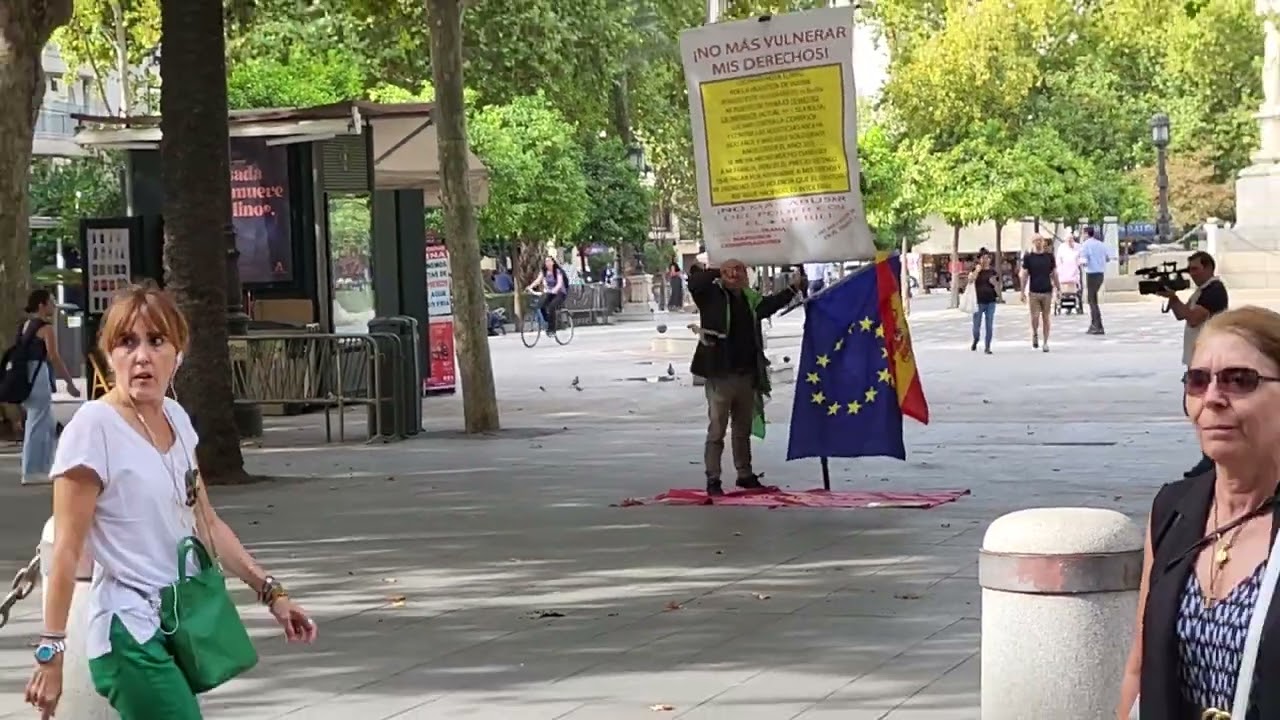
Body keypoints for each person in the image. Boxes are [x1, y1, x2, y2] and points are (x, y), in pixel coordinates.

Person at [24, 285, 317, 720]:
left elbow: (207, 523)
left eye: (156, 341)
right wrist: (51, 654)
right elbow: (66, 551)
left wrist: (272, 592)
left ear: (178, 352)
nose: (142, 356)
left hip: (177, 624)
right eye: (127, 342)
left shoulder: (176, 419)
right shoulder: (93, 427)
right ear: (108, 355)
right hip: (128, 638)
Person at [1117, 306, 1280, 720]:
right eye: (1198, 380)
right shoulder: (1172, 510)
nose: (1212, 398)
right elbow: (1140, 666)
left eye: (1240, 380)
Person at [689, 259, 802, 496]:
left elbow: (769, 305)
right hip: (720, 374)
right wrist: (717, 270)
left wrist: (794, 288)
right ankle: (713, 479)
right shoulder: (710, 296)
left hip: (746, 374)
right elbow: (695, 281)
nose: (735, 275)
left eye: (739, 270)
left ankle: (744, 474)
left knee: (742, 429)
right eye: (730, 271)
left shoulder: (749, 299)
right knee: (717, 429)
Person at [1158, 251, 1230, 479]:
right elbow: (1182, 315)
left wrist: (1176, 299)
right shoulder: (1201, 291)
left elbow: (1194, 317)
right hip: (1197, 358)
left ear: (1208, 267)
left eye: (1196, 269)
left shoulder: (1214, 290)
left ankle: (1211, 458)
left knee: (1200, 408)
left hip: (1209, 359)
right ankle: (1209, 456)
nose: (1192, 274)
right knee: (1194, 408)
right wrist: (1171, 298)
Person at [17, 289, 80, 485]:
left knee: (41, 422)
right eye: (51, 302)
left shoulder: (24, 325)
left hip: (25, 376)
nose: (54, 305)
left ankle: (42, 467)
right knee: (38, 423)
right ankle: (32, 470)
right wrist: (69, 383)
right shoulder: (46, 328)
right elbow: (54, 357)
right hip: (39, 375)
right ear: (41, 305)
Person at [1020, 236, 1060, 352]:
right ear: (1033, 242)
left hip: (1047, 291)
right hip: (1034, 292)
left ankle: (1046, 342)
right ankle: (1035, 334)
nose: (1038, 243)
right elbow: (1025, 275)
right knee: (1035, 316)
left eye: (1040, 240)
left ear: (1043, 243)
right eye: (1036, 240)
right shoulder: (1029, 257)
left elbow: (1054, 274)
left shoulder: (1049, 257)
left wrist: (1058, 288)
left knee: (1046, 317)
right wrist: (1022, 291)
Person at [1079, 227, 1113, 335]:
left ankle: (1097, 325)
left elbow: (1083, 260)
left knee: (1092, 301)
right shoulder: (1101, 244)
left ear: (1086, 234)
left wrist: (1081, 263)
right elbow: (1107, 258)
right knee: (1094, 299)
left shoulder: (1085, 245)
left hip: (1091, 274)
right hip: (1100, 274)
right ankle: (1095, 323)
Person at [524, 257, 569, 336]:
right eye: (546, 261)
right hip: (550, 293)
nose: (547, 263)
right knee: (541, 306)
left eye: (549, 261)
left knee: (552, 306)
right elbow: (538, 281)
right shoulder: (544, 272)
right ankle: (549, 320)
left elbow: (559, 283)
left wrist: (554, 290)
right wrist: (530, 287)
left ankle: (552, 330)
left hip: (560, 293)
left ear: (553, 262)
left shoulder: (557, 271)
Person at [969, 252, 1000, 354]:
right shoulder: (975, 270)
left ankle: (987, 347)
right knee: (976, 326)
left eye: (987, 258)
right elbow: (970, 280)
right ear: (979, 259)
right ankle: (976, 339)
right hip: (978, 302)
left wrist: (994, 283)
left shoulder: (993, 271)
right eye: (983, 258)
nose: (985, 260)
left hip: (991, 301)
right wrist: (977, 271)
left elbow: (998, 284)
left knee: (989, 325)